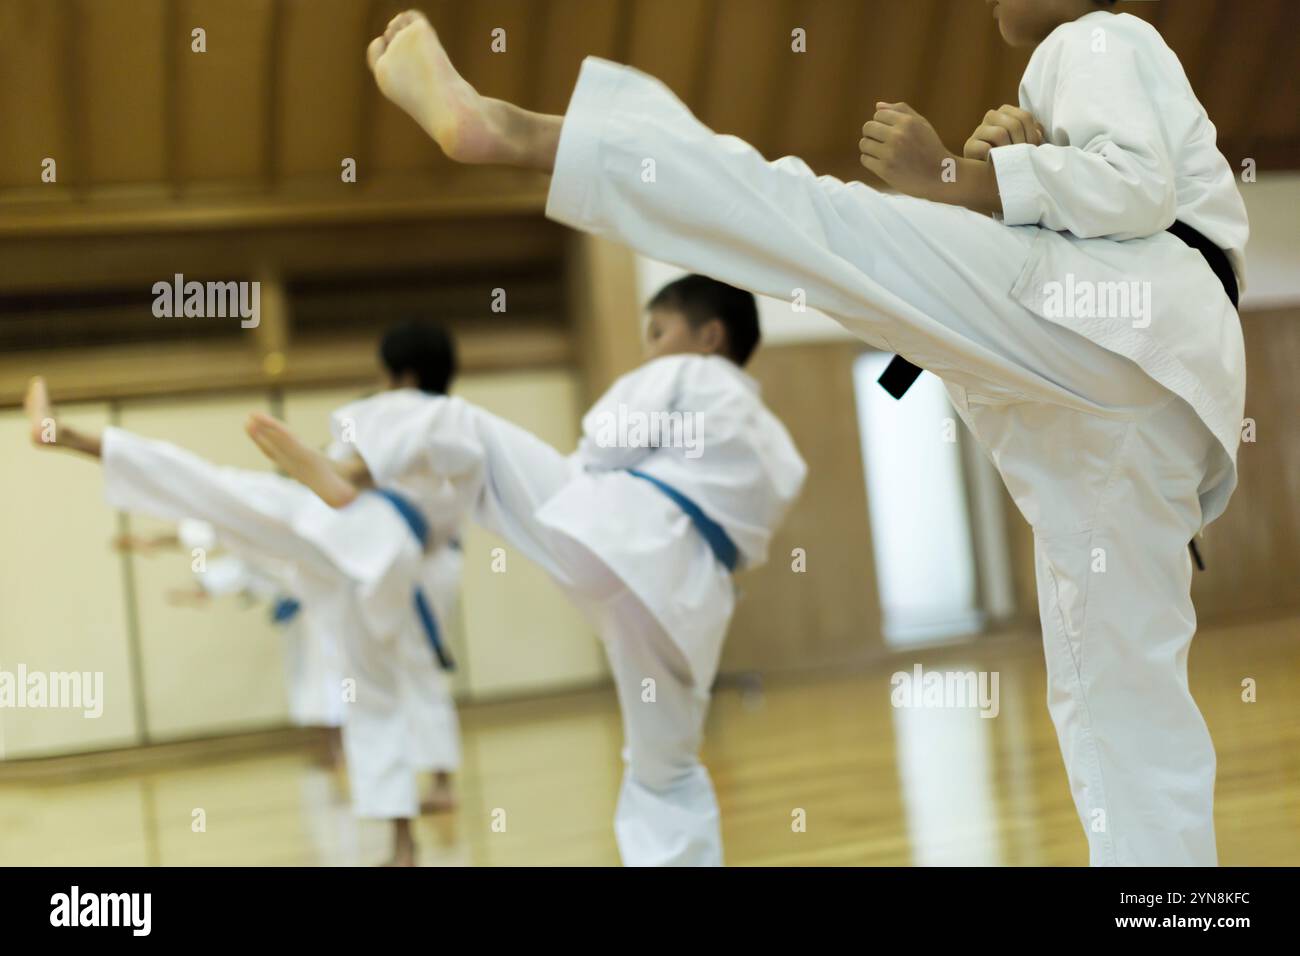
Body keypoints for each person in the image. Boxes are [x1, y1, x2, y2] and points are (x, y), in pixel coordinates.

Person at [362, 7, 1247, 865]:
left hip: (1124, 320)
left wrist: (953, 177)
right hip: (1160, 394)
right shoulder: (1079, 65)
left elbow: (1135, 187)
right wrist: (1007, 177)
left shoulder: (1096, 34)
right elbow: (1114, 193)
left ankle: (519, 133)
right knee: (1121, 695)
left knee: (814, 222)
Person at [245, 275, 807, 866]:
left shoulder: (688, 371)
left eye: (658, 333)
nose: (651, 350)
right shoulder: (776, 441)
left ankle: (352, 470)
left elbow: (604, 447)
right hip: (691, 600)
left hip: (622, 536)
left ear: (709, 336)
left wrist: (559, 483)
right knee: (667, 769)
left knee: (464, 428)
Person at [23, 319, 466, 866]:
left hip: (351, 521)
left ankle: (74, 437)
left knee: (220, 490)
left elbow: (381, 466)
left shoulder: (402, 412)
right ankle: (402, 847)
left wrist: (340, 470)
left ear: (401, 372)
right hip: (383, 558)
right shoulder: (460, 426)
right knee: (372, 690)